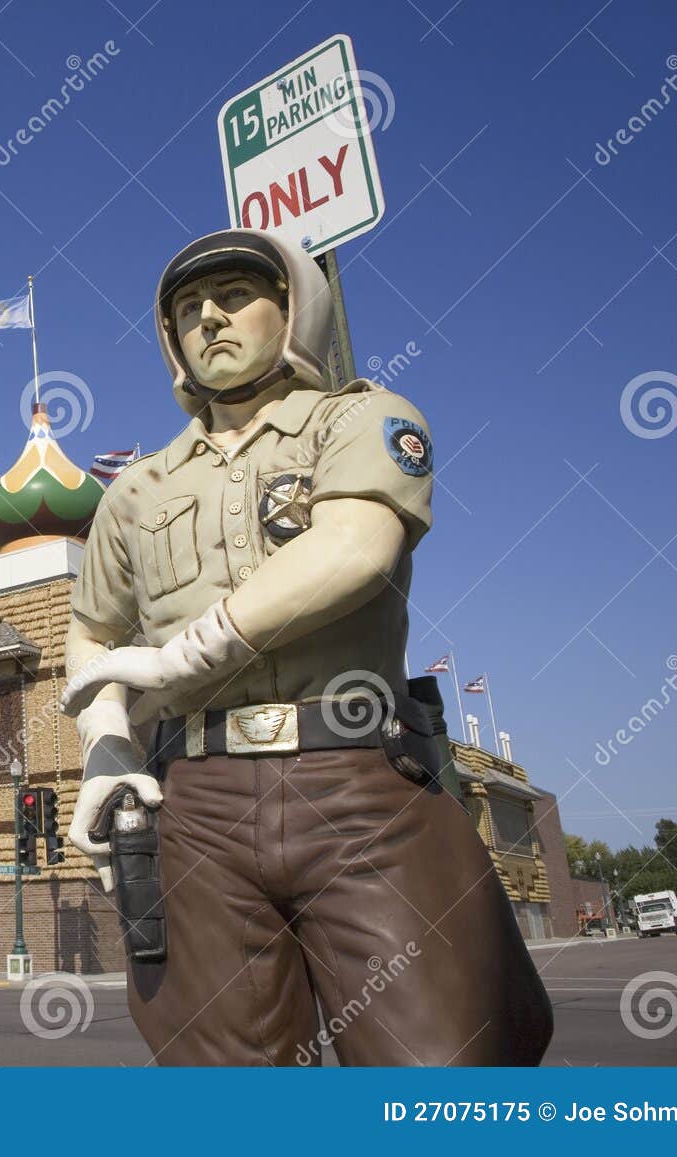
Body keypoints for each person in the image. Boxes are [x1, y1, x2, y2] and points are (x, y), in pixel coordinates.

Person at [60, 228, 552, 1066]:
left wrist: (184, 655)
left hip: (358, 781)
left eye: (235, 294)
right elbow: (94, 632)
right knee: (223, 1074)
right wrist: (106, 750)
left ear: (293, 309)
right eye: (186, 307)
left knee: (438, 1062)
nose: (207, 316)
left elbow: (358, 546)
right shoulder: (136, 490)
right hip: (198, 800)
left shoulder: (360, 419)